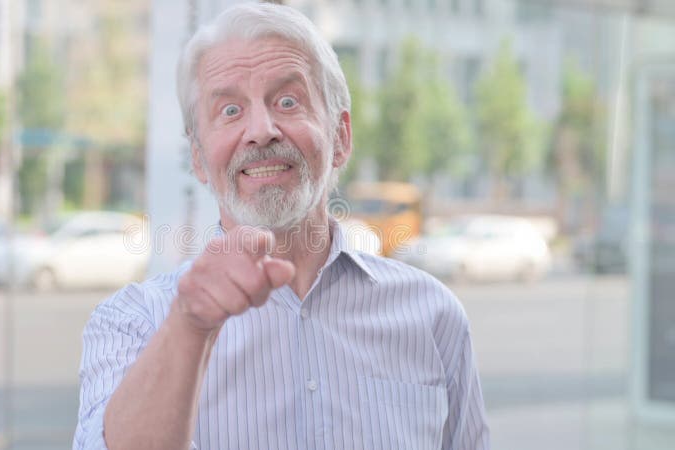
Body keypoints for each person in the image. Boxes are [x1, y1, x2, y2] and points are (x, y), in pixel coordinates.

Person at [74, 3, 489, 449]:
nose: (261, 130)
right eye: (230, 110)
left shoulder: (432, 315)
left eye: (288, 101)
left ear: (341, 137)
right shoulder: (132, 324)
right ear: (197, 157)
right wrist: (190, 326)